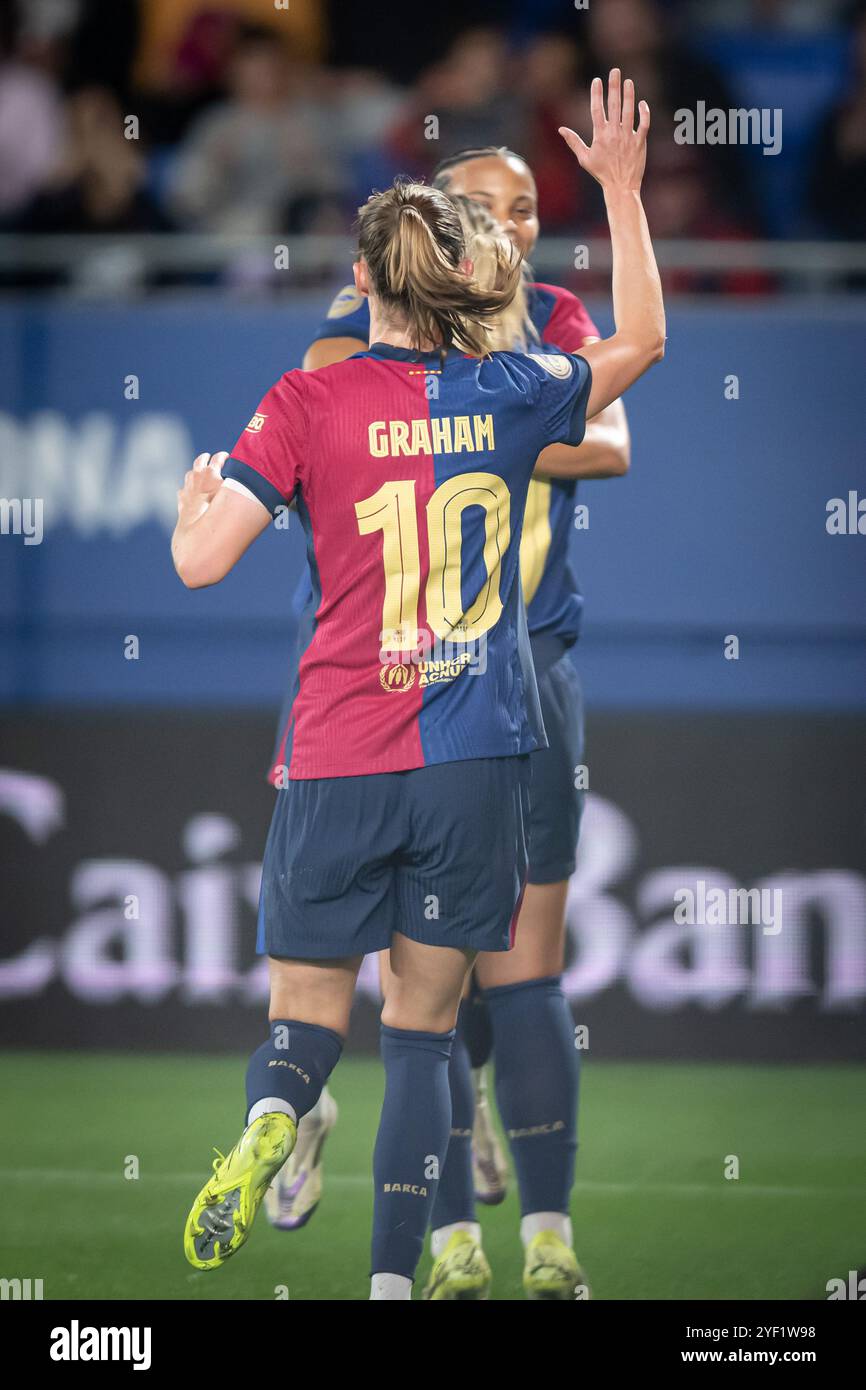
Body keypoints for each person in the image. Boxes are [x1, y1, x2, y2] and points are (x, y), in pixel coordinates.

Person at [174, 69, 664, 1300]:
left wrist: (192, 508)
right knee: (426, 1034)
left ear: (369, 279)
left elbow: (199, 562)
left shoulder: (307, 391)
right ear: (461, 274)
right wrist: (621, 191)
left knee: (302, 1023)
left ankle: (283, 1108)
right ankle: (411, 1279)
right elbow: (644, 348)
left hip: (335, 741)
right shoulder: (506, 392)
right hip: (471, 745)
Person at [270, 149, 630, 1298]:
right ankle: (434, 1233)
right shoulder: (414, 314)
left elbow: (612, 443)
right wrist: (498, 405)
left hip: (523, 664)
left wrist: (459, 413)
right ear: (438, 221)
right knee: (406, 992)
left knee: (512, 971)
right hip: (388, 673)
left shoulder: (559, 312)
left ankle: (543, 1236)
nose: (511, 224)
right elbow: (336, 373)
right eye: (486, 205)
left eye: (527, 207)